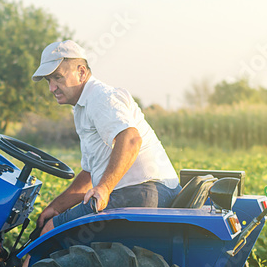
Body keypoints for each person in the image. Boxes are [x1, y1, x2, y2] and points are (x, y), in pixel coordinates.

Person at [29, 39, 181, 240]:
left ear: (81, 72)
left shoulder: (100, 97)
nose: (52, 88)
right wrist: (57, 206)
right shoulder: (82, 106)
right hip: (144, 191)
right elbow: (90, 174)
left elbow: (131, 139)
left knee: (50, 234)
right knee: (49, 227)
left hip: (144, 191)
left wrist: (104, 188)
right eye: (49, 81)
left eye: (58, 77)